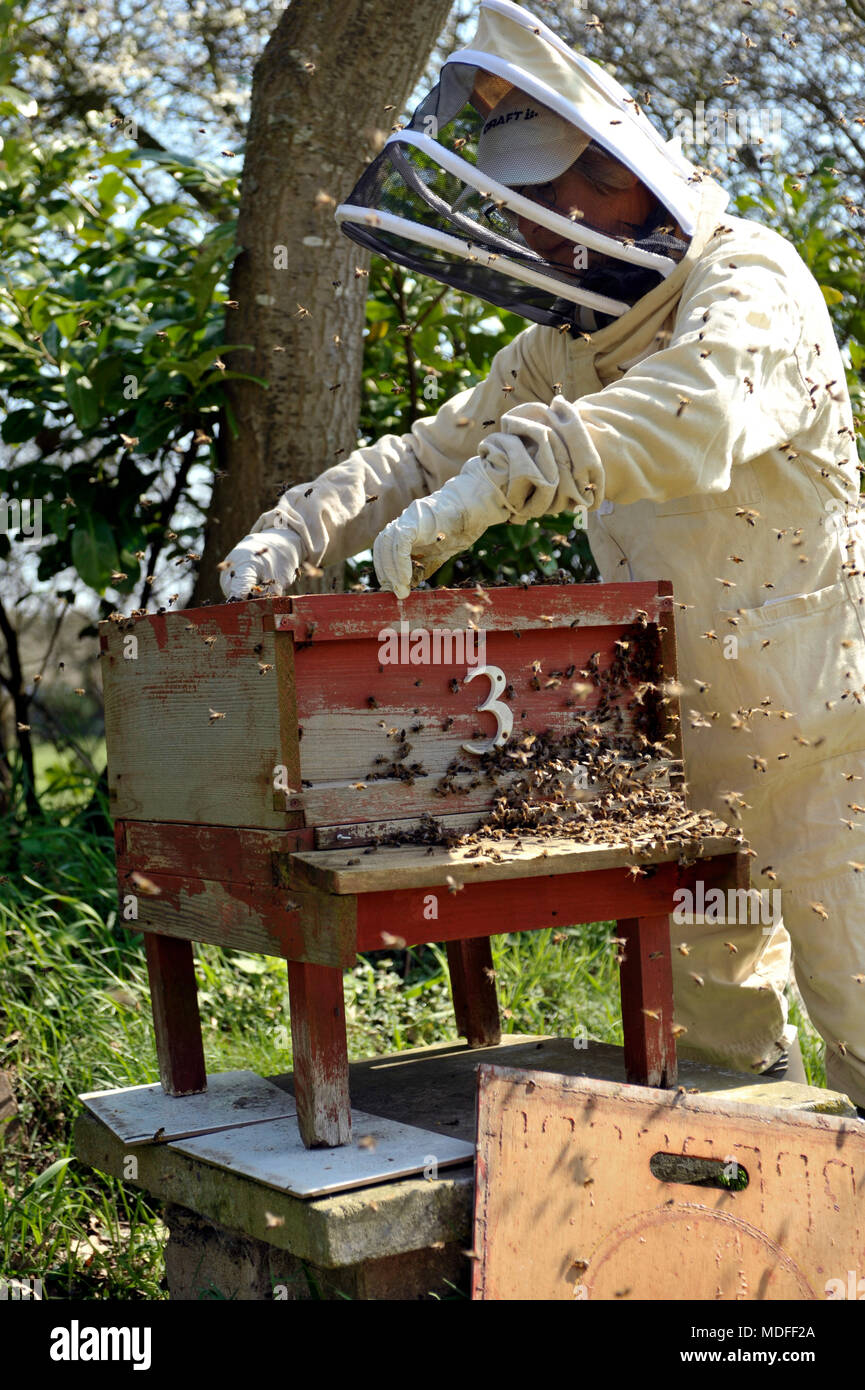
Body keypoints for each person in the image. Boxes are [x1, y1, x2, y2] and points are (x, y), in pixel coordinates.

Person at [220, 0, 865, 1108]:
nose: (552, 232)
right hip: (690, 771)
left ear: (627, 179)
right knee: (722, 1067)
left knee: (864, 1025)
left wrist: (512, 480)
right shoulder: (559, 351)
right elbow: (424, 459)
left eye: (568, 199)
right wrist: (299, 525)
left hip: (828, 758)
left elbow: (696, 411)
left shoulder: (748, 279)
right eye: (529, 209)